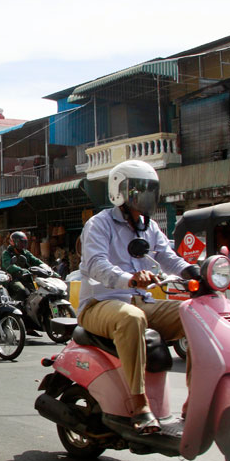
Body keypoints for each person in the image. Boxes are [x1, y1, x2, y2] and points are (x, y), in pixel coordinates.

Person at [77, 160, 199, 435]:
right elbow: (96, 264)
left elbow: (167, 257)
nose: (144, 197)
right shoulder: (99, 224)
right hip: (100, 304)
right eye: (137, 190)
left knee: (195, 313)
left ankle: (195, 401)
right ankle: (139, 403)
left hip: (142, 302)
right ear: (119, 191)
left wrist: (193, 270)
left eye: (148, 190)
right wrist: (129, 278)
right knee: (131, 318)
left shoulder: (150, 227)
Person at [1, 231, 44, 300]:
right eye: (21, 242)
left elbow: (36, 261)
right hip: (12, 279)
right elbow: (8, 265)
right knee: (21, 291)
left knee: (37, 294)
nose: (23, 245)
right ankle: (18, 305)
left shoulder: (26, 253)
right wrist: (20, 270)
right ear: (13, 242)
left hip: (26, 278)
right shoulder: (7, 254)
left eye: (24, 242)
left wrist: (47, 269)